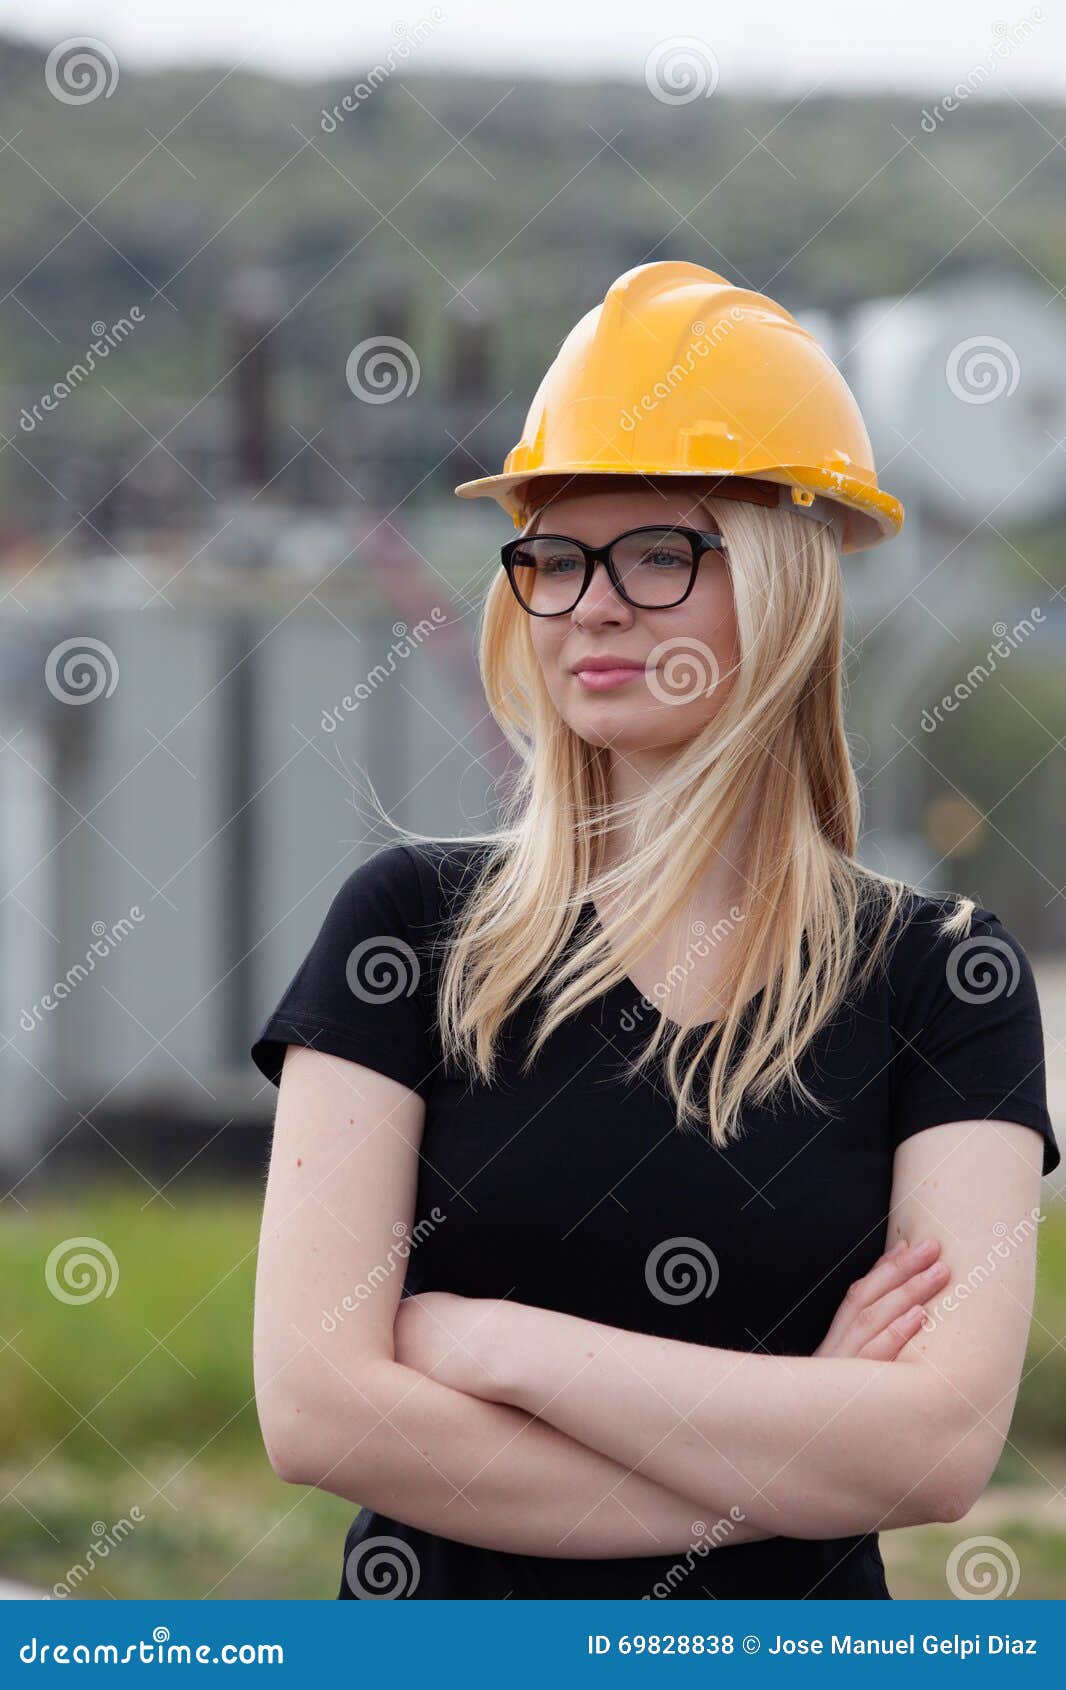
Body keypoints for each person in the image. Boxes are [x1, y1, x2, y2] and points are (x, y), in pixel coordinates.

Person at [250, 261, 1059, 1601]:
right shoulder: (404, 930)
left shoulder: (941, 979)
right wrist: (798, 1440)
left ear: (787, 586)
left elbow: (932, 1451)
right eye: (556, 558)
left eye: (658, 553)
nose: (596, 603)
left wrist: (498, 1345)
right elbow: (320, 1413)